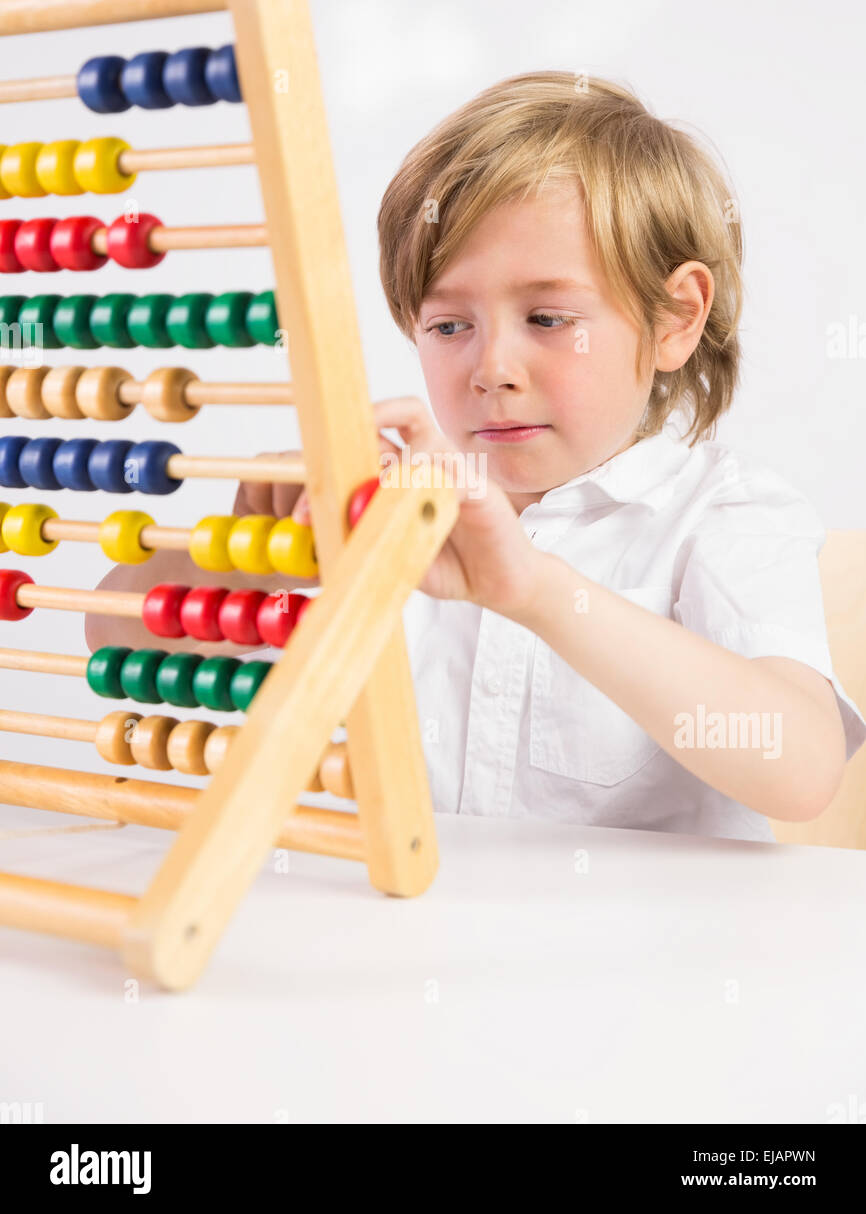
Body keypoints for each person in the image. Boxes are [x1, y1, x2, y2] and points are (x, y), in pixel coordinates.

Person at [86, 72, 866, 841]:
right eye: (449, 326)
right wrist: (256, 565)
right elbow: (109, 628)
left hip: (640, 963)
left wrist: (536, 590)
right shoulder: (388, 510)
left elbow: (798, 770)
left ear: (675, 318)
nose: (492, 367)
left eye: (549, 317)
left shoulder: (721, 517)